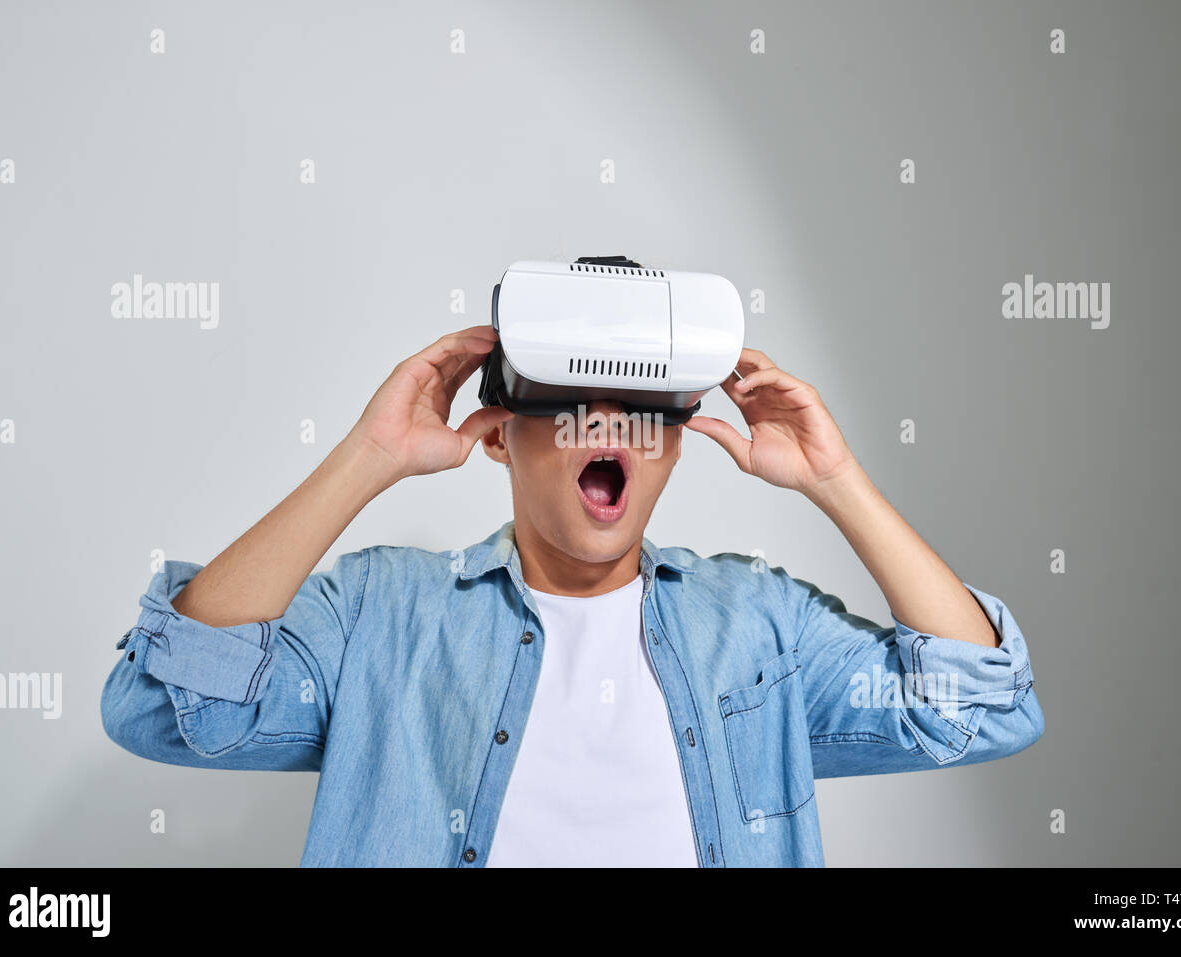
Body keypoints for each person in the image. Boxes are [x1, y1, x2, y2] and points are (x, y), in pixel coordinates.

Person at [101, 323, 1043, 867]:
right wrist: (367, 460)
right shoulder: (383, 615)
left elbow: (980, 707)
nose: (613, 429)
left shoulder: (759, 622)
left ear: (672, 442)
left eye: (643, 411)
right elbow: (163, 703)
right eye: (572, 403)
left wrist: (838, 480)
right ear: (501, 436)